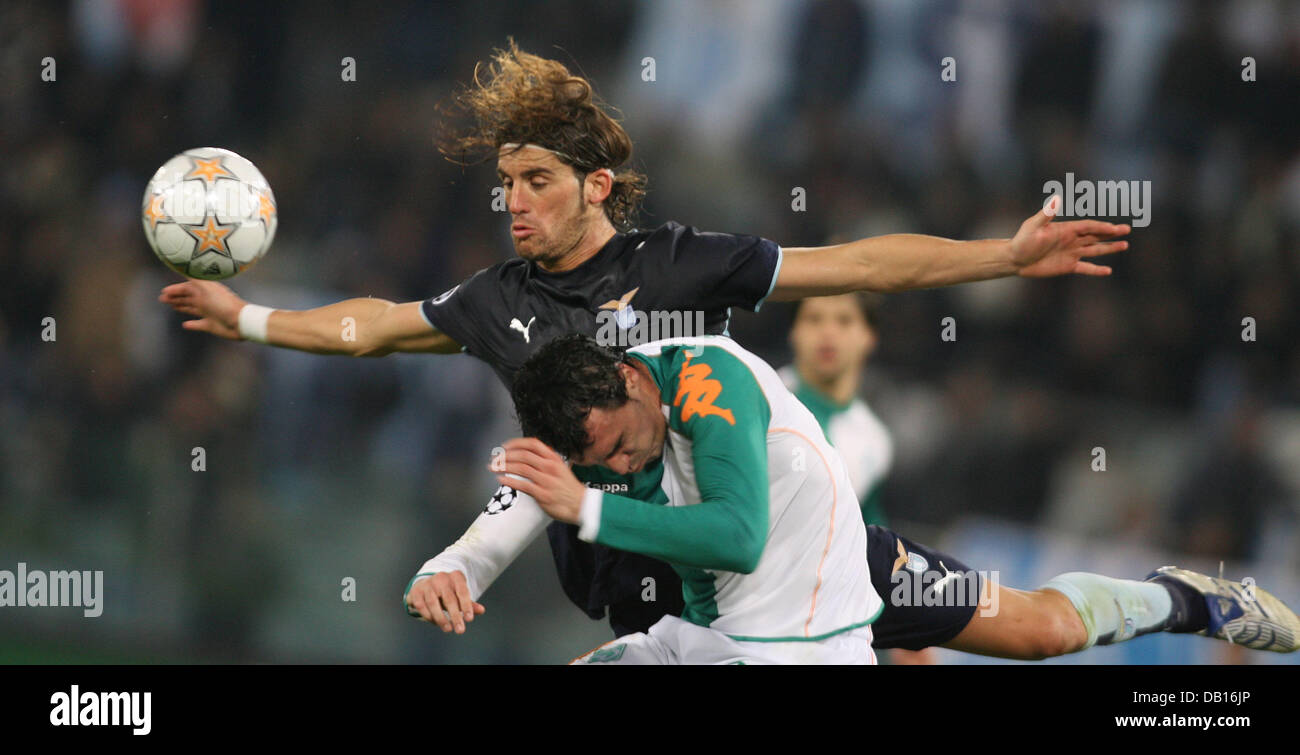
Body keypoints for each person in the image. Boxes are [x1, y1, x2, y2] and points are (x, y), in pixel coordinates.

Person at [160, 39, 1208, 658]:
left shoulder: (683, 263)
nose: (513, 203)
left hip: (781, 551)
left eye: (535, 181)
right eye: (506, 183)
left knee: (1032, 631)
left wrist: (1002, 256)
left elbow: (860, 266)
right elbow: (371, 327)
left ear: (594, 187)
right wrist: (250, 318)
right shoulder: (495, 302)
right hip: (641, 580)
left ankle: (1189, 599)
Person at [405, 334, 1300, 662]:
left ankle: (1192, 597)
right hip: (717, 624)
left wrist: (589, 505)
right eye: (594, 463)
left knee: (1042, 632)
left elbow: (738, 531)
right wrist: (457, 563)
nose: (618, 462)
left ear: (633, 381)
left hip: (840, 585)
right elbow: (531, 489)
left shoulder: (707, 378)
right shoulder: (577, 401)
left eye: (619, 444)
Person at [782, 292, 935, 664]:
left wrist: (908, 629)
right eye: (814, 319)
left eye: (844, 320)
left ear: (869, 337)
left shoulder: (874, 439)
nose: (827, 333)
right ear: (794, 332)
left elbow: (867, 540)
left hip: (818, 630)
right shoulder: (760, 399)